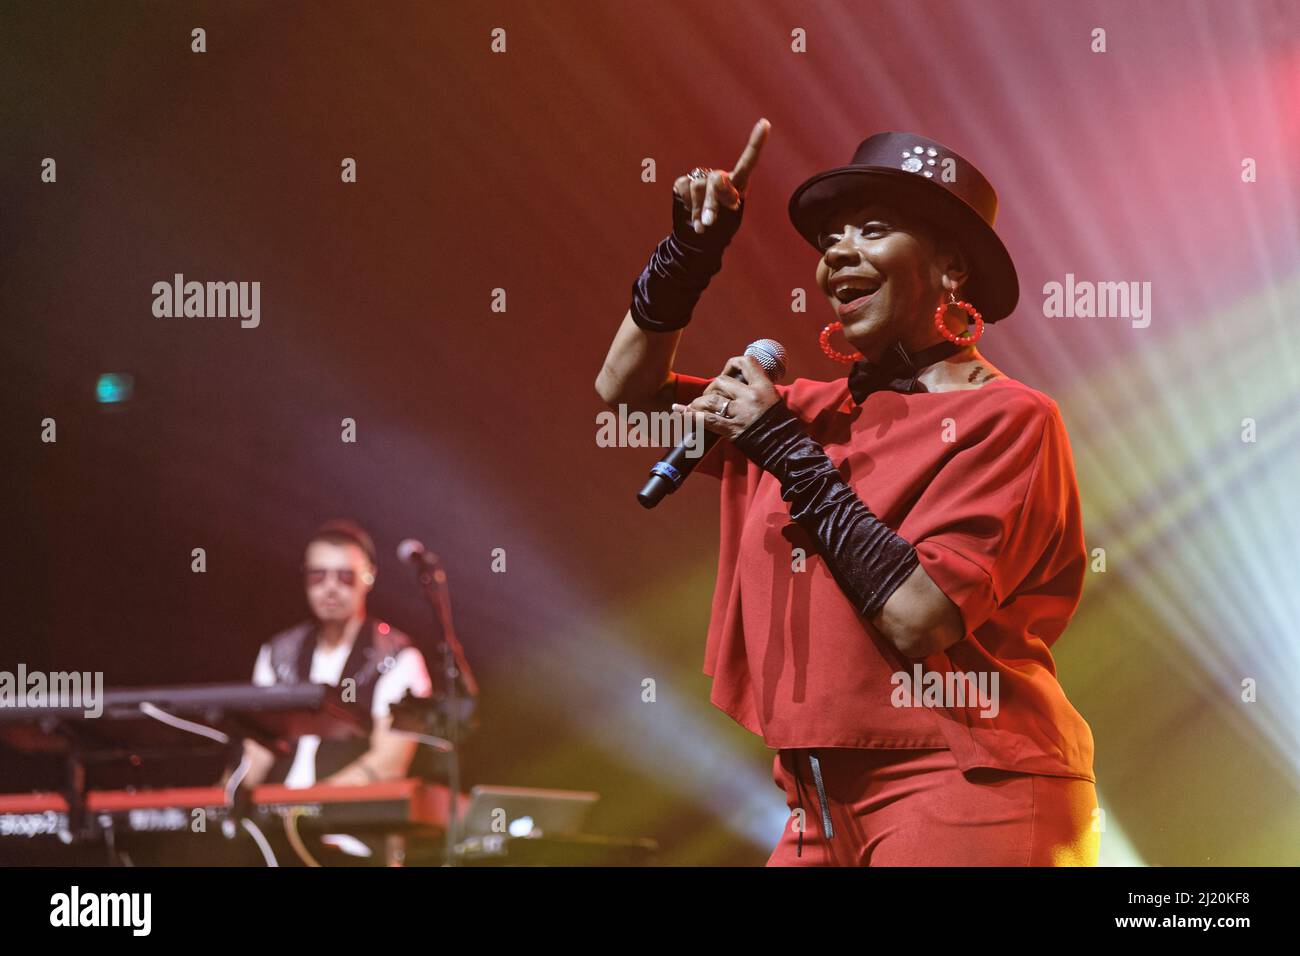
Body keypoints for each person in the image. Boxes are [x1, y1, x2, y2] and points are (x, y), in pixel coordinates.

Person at [597, 120, 1099, 866]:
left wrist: (782, 448)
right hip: (816, 799)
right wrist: (687, 259)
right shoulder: (805, 412)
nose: (838, 251)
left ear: (951, 266)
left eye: (872, 228)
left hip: (968, 783)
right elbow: (626, 399)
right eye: (830, 238)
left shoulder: (1011, 418)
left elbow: (920, 617)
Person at [239, 520, 434, 789]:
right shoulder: (278, 653)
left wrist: (304, 808)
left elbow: (390, 762)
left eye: (345, 576)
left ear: (369, 577)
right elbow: (257, 750)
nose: (330, 587)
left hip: (350, 826)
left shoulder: (400, 657)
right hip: (271, 823)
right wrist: (220, 803)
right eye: (318, 575)